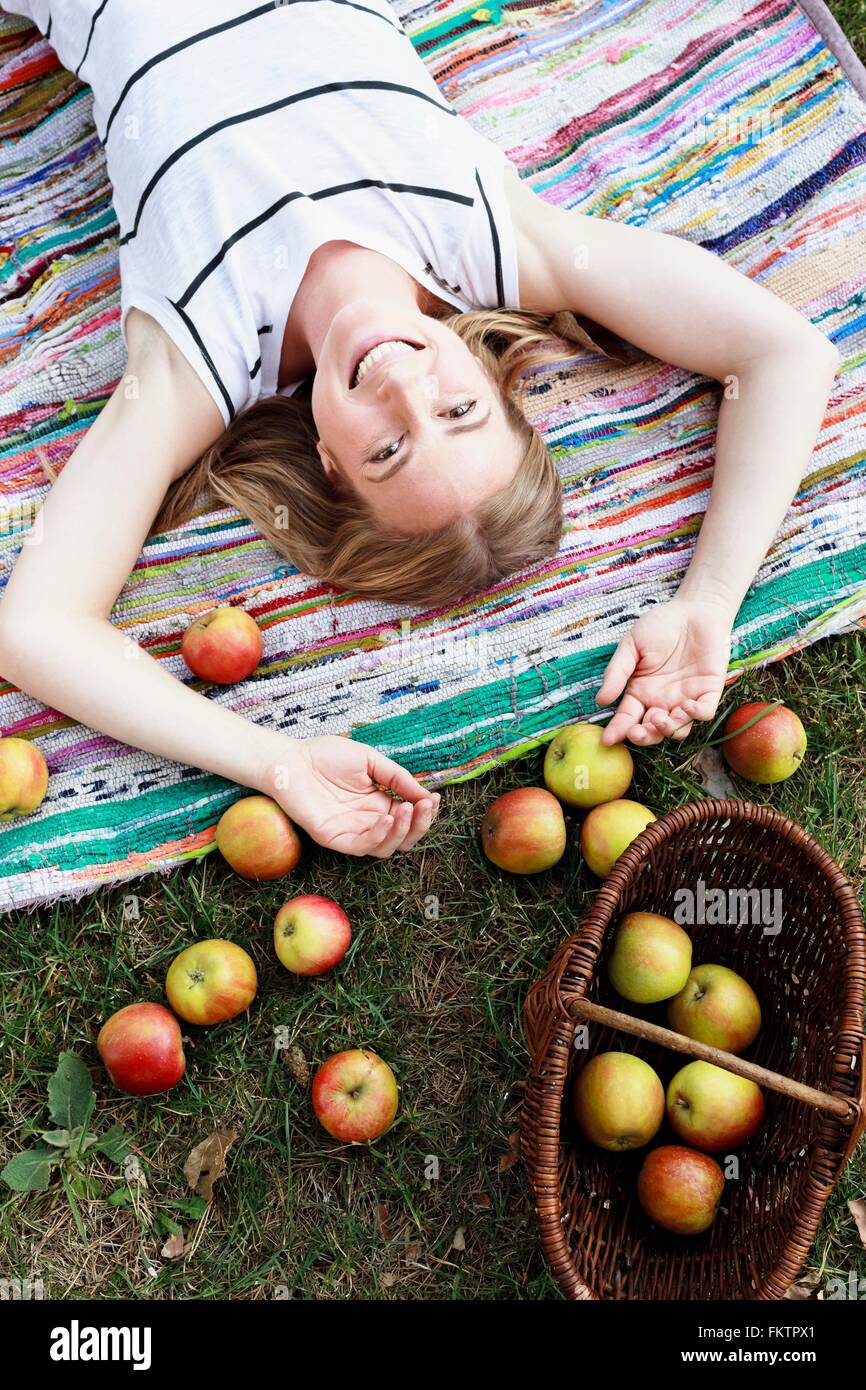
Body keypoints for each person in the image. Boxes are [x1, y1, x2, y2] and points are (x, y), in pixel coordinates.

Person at [0, 1, 840, 858]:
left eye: (388, 449)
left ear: (328, 463)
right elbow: (783, 354)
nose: (404, 386)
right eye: (458, 410)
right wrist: (709, 601)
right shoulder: (494, 242)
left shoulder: (199, 361)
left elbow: (37, 627)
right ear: (489, 376)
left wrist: (276, 763)